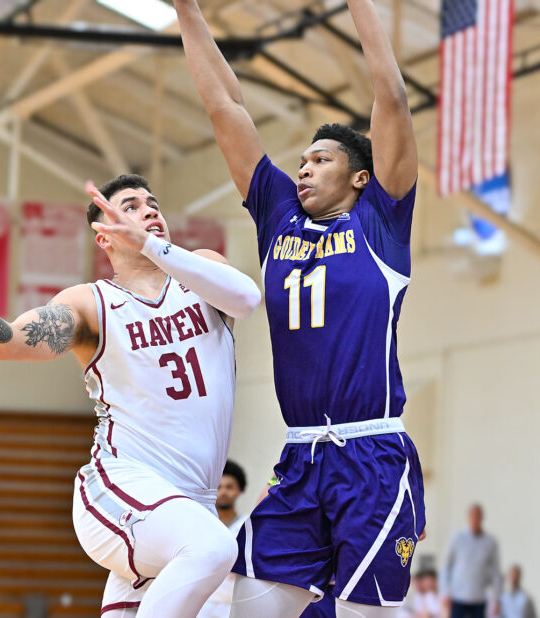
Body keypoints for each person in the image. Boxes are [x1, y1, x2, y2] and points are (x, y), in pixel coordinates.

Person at [0, 174, 262, 618]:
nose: (150, 211)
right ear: (104, 237)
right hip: (121, 486)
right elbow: (3, 340)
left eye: (152, 203)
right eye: (131, 206)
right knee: (214, 548)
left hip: (187, 504)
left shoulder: (199, 271)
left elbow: (247, 299)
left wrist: (154, 246)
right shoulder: (90, 303)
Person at [173, 0, 425, 615]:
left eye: (321, 159)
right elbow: (225, 107)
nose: (304, 168)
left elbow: (391, 97)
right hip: (301, 453)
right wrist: (186, 11)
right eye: (302, 160)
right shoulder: (278, 219)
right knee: (251, 602)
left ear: (361, 177)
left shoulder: (381, 221)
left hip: (372, 455)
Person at [199, 461, 250, 618]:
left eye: (229, 487)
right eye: (219, 487)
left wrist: (274, 478)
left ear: (239, 490)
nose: (223, 492)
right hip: (201, 604)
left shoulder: (247, 525)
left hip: (233, 606)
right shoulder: (201, 525)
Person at [441, 504, 503, 618]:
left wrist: (497, 598)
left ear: (482, 518)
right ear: (468, 517)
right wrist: (444, 591)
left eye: (478, 516)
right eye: (473, 516)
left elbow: (495, 571)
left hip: (478, 598)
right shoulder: (457, 538)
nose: (475, 519)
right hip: (458, 597)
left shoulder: (490, 542)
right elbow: (446, 567)